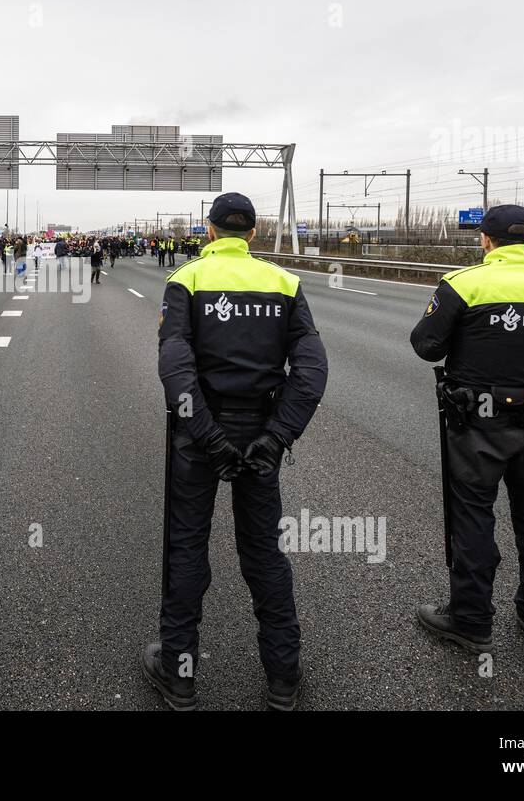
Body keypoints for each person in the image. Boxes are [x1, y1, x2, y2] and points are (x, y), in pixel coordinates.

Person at [145, 192, 328, 712]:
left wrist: (207, 435)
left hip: (199, 436)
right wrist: (276, 437)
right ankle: (283, 678)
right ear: (252, 234)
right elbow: (312, 371)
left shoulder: (187, 280)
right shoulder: (285, 283)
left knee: (186, 547)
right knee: (264, 552)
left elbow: (175, 367)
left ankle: (180, 676)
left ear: (209, 231)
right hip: (262, 431)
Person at [410, 205, 524, 656]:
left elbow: (426, 345)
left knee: (473, 516)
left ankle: (471, 621)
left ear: (485, 242)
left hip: (478, 425)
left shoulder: (463, 284)